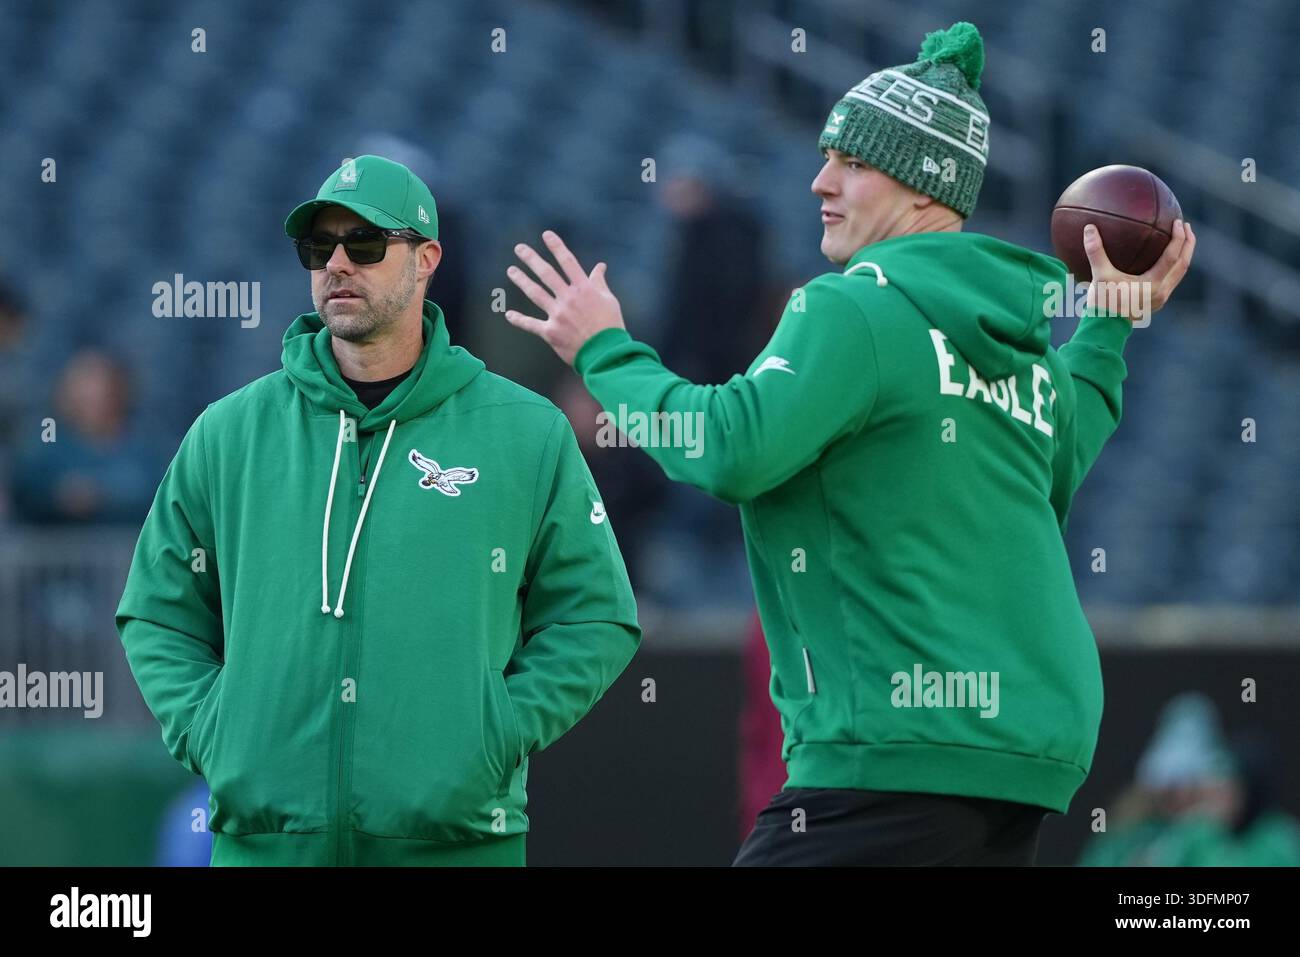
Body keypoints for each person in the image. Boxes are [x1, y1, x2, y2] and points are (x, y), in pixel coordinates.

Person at [502, 22, 1197, 865]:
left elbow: (730, 445)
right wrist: (1109, 328)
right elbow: (1063, 454)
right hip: (1025, 753)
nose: (820, 180)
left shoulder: (856, 307)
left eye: (853, 162)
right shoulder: (1016, 340)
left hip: (894, 749)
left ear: (921, 185)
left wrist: (605, 350)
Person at [116, 155, 641, 867]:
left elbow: (595, 615)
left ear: (425, 260)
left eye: (364, 244)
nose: (337, 263)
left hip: (453, 844)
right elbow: (156, 612)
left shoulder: (525, 432)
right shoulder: (229, 431)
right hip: (267, 847)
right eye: (319, 246)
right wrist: (217, 731)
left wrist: (494, 731)